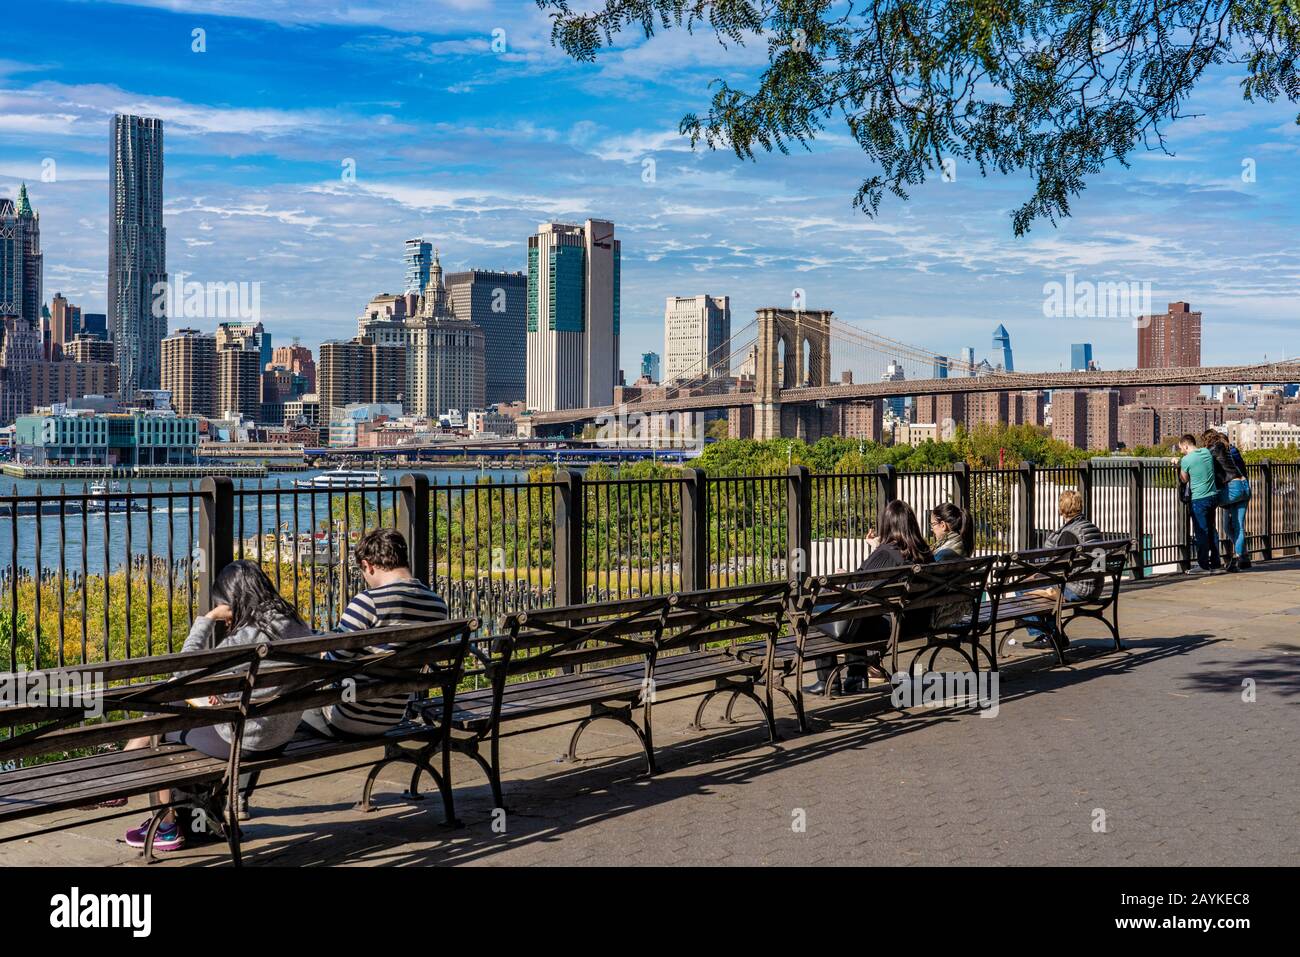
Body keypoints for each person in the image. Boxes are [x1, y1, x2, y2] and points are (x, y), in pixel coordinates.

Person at [119, 561, 312, 852]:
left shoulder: (246, 637)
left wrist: (207, 617)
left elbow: (184, 674)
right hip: (280, 738)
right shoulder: (297, 625)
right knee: (169, 710)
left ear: (234, 598)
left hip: (243, 742)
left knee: (162, 713)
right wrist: (226, 698)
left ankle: (165, 823)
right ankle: (176, 812)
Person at [299, 528, 449, 740]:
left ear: (367, 566)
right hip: (393, 715)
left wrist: (322, 654)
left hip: (348, 716)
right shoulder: (437, 606)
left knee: (284, 714)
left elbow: (334, 664)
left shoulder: (368, 602)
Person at [808, 500, 933, 695]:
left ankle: (828, 680)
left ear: (887, 524)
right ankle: (855, 679)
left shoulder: (885, 552)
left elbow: (859, 589)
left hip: (891, 626)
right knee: (861, 614)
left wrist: (843, 579)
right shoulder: (925, 552)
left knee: (821, 614)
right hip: (918, 622)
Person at [1021, 489, 1103, 650]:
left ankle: (1048, 635)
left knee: (1022, 589)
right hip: (1095, 587)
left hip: (1077, 589)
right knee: (1039, 587)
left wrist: (1035, 577)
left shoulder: (1068, 534)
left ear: (1061, 509)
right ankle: (1055, 634)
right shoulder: (1090, 527)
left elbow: (1059, 570)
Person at [1202, 429, 1251, 572]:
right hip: (1244, 486)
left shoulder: (1214, 448)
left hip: (1232, 488)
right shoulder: (1226, 449)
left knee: (1207, 502)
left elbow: (1202, 459)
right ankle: (1241, 557)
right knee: (1238, 526)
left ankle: (1234, 557)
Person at [1178, 433, 1221, 573]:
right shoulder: (1206, 452)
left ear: (1185, 445)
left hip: (1199, 498)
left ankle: (1203, 565)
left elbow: (1184, 479)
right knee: (1212, 530)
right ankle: (1215, 564)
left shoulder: (1186, 459)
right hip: (1213, 496)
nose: (1181, 451)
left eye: (1181, 448)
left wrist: (1177, 465)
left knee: (1201, 532)